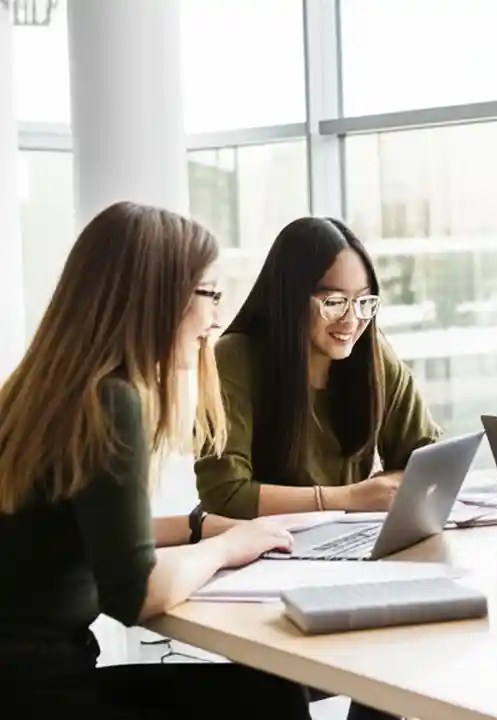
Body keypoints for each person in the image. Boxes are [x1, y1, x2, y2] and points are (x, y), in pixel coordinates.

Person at [0, 201, 310, 718]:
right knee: (270, 699)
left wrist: (199, 526)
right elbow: (136, 592)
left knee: (268, 693)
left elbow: (78, 529)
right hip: (45, 696)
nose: (216, 316)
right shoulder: (109, 402)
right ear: (157, 299)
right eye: (208, 293)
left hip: (21, 687)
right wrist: (229, 546)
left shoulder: (41, 396)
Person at [195, 216, 443, 519]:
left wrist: (386, 488)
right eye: (334, 302)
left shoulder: (370, 353)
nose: (351, 321)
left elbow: (431, 461)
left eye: (364, 301)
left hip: (346, 543)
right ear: (292, 299)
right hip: (265, 551)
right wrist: (351, 497)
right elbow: (225, 493)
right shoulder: (235, 358)